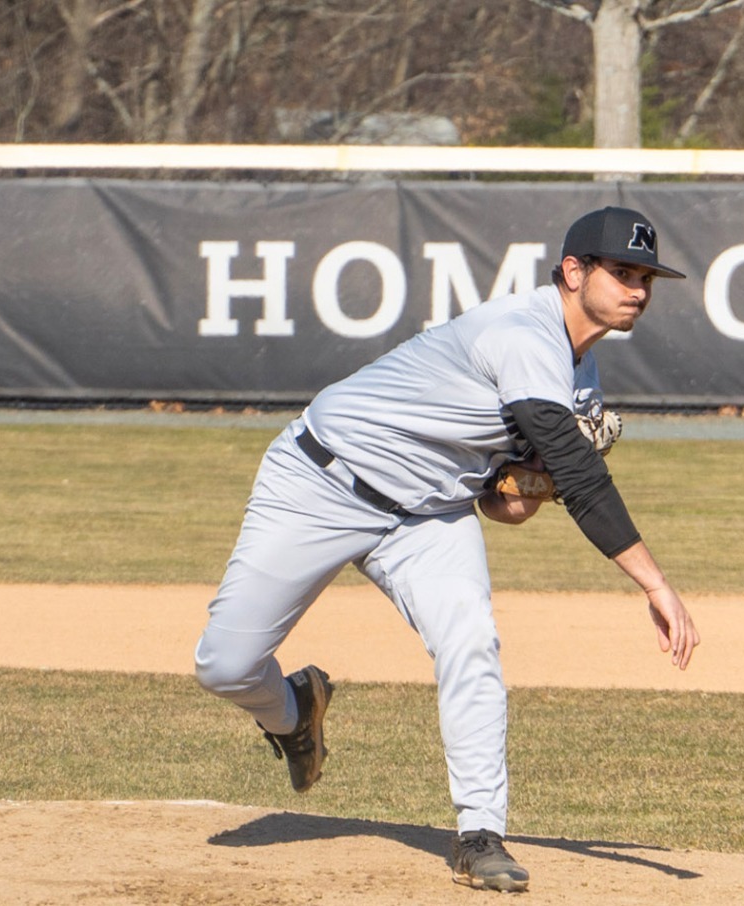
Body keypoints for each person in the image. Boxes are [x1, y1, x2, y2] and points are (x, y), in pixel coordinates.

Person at [193, 205, 701, 893]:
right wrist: (653, 584)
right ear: (574, 272)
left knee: (471, 643)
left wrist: (527, 488)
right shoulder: (523, 334)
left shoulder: (581, 378)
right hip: (321, 480)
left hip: (428, 516)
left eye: (646, 276)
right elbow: (583, 477)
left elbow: (502, 505)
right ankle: (292, 711)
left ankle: (479, 834)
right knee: (225, 666)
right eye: (622, 272)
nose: (637, 289)